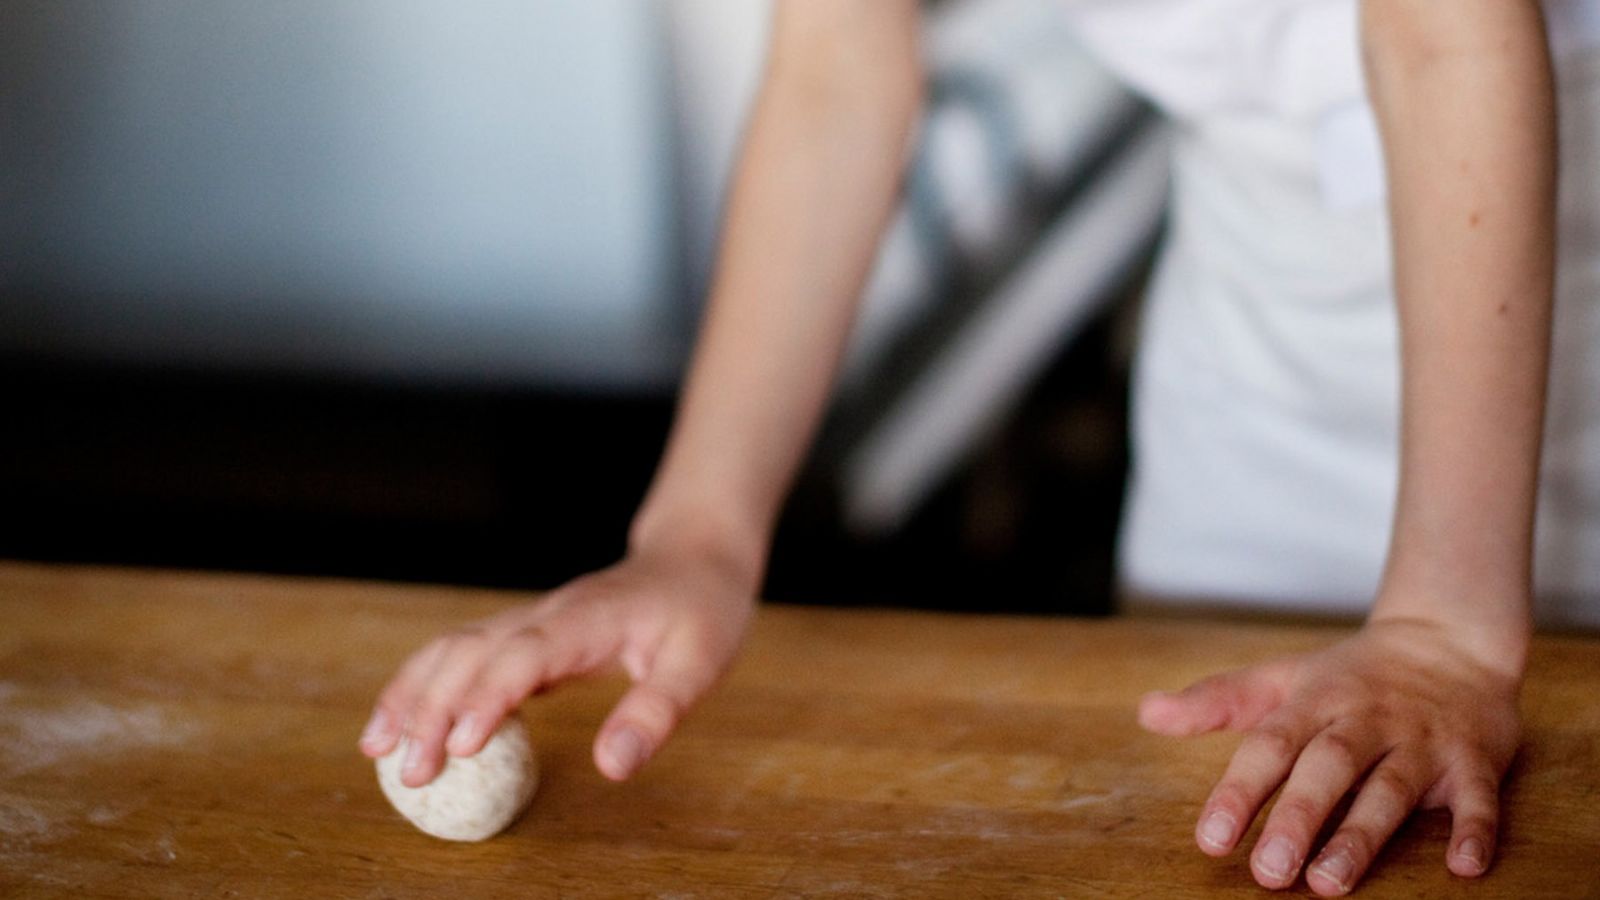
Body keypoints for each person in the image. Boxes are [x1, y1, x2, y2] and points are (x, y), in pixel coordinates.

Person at [360, 1, 1598, 894]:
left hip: (1549, 274)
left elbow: (1446, 35)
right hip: (1259, 309)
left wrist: (1442, 628)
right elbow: (839, 65)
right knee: (1223, 812)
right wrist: (693, 536)